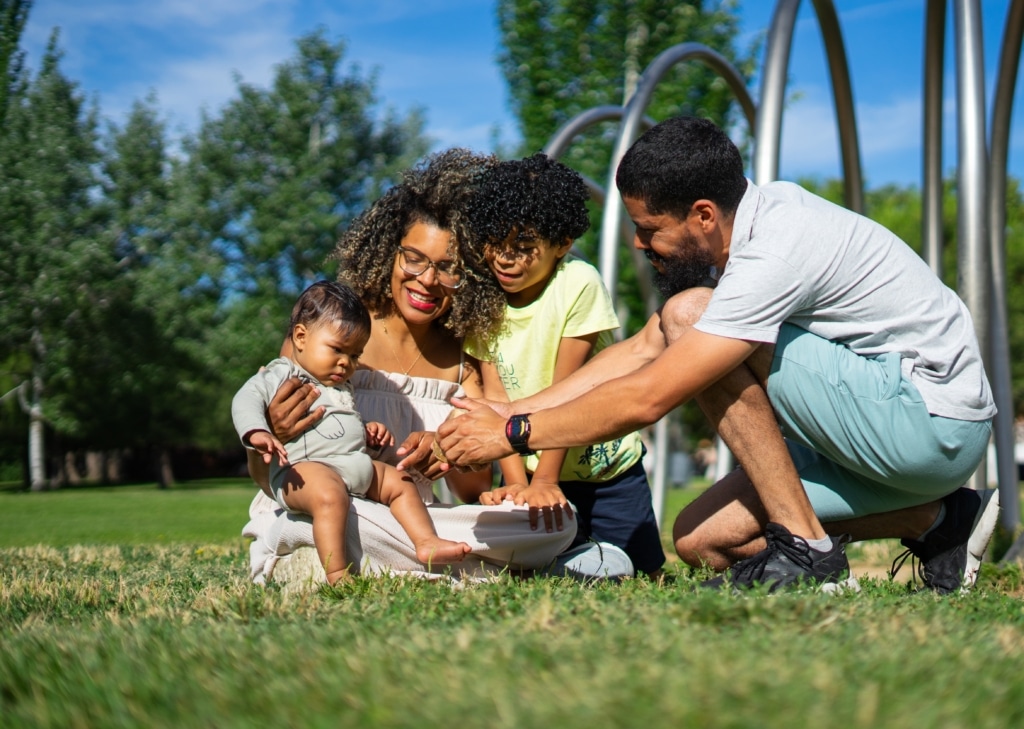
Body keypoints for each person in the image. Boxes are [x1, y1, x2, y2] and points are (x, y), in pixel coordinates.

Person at [437, 116, 1000, 594]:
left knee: (689, 315)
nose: (638, 243)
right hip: (882, 425)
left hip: (929, 424)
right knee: (702, 541)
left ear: (704, 215)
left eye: (649, 228)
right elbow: (643, 349)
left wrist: (514, 434)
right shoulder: (751, 232)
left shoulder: (775, 250)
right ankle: (941, 520)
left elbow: (650, 396)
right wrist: (504, 414)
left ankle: (807, 551)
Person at [242, 149, 634, 585]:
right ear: (388, 253)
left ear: (470, 275)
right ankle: (484, 569)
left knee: (555, 521)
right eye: (414, 258)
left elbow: (473, 492)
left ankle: (374, 560)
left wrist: (446, 451)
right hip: (312, 501)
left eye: (448, 268)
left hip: (414, 518)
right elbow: (265, 476)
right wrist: (269, 437)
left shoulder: (467, 355)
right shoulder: (331, 334)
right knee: (333, 509)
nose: (427, 279)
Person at [463, 153, 665, 576]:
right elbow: (495, 397)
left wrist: (546, 481)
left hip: (606, 473)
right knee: (541, 574)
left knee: (639, 574)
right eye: (495, 242)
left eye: (524, 248)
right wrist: (517, 484)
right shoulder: (484, 298)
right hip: (527, 465)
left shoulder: (578, 283)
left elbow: (569, 390)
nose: (504, 259)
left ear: (563, 244)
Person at [233, 280, 472, 584]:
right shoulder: (284, 372)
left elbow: (342, 424)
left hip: (353, 465)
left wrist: (369, 431)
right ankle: (337, 572)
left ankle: (426, 542)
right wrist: (257, 432)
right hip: (304, 471)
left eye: (355, 355)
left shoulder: (342, 385)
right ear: (301, 337)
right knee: (330, 497)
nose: (345, 363)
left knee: (401, 482)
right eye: (337, 350)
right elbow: (246, 398)